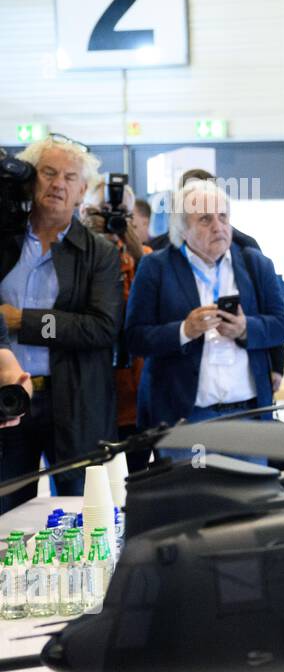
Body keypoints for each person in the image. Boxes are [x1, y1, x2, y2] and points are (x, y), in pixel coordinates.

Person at [0, 135, 121, 512]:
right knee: (6, 510)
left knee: (79, 511)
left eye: (70, 177)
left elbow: (100, 327)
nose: (58, 184)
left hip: (73, 399)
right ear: (32, 180)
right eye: (49, 173)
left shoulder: (98, 252)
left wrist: (27, 322)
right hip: (10, 400)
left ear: (82, 190)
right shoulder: (5, 241)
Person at [125, 180, 284, 450]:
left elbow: (283, 326)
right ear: (182, 228)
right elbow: (134, 338)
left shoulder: (256, 264)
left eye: (223, 217)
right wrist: (184, 331)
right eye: (205, 219)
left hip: (247, 415)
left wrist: (245, 328)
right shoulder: (155, 267)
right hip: (185, 419)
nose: (218, 227)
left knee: (251, 492)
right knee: (192, 493)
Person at [150, 168, 284, 392]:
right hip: (180, 387)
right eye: (202, 215)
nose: (216, 225)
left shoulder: (248, 252)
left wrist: (276, 364)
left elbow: (275, 317)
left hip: (244, 384)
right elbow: (139, 333)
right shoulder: (157, 258)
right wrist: (184, 330)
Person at [83, 176, 153, 473]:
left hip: (136, 402)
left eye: (122, 214)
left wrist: (132, 245)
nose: (113, 220)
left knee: (135, 487)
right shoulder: (76, 258)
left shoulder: (145, 260)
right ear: (87, 212)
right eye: (104, 212)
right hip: (90, 399)